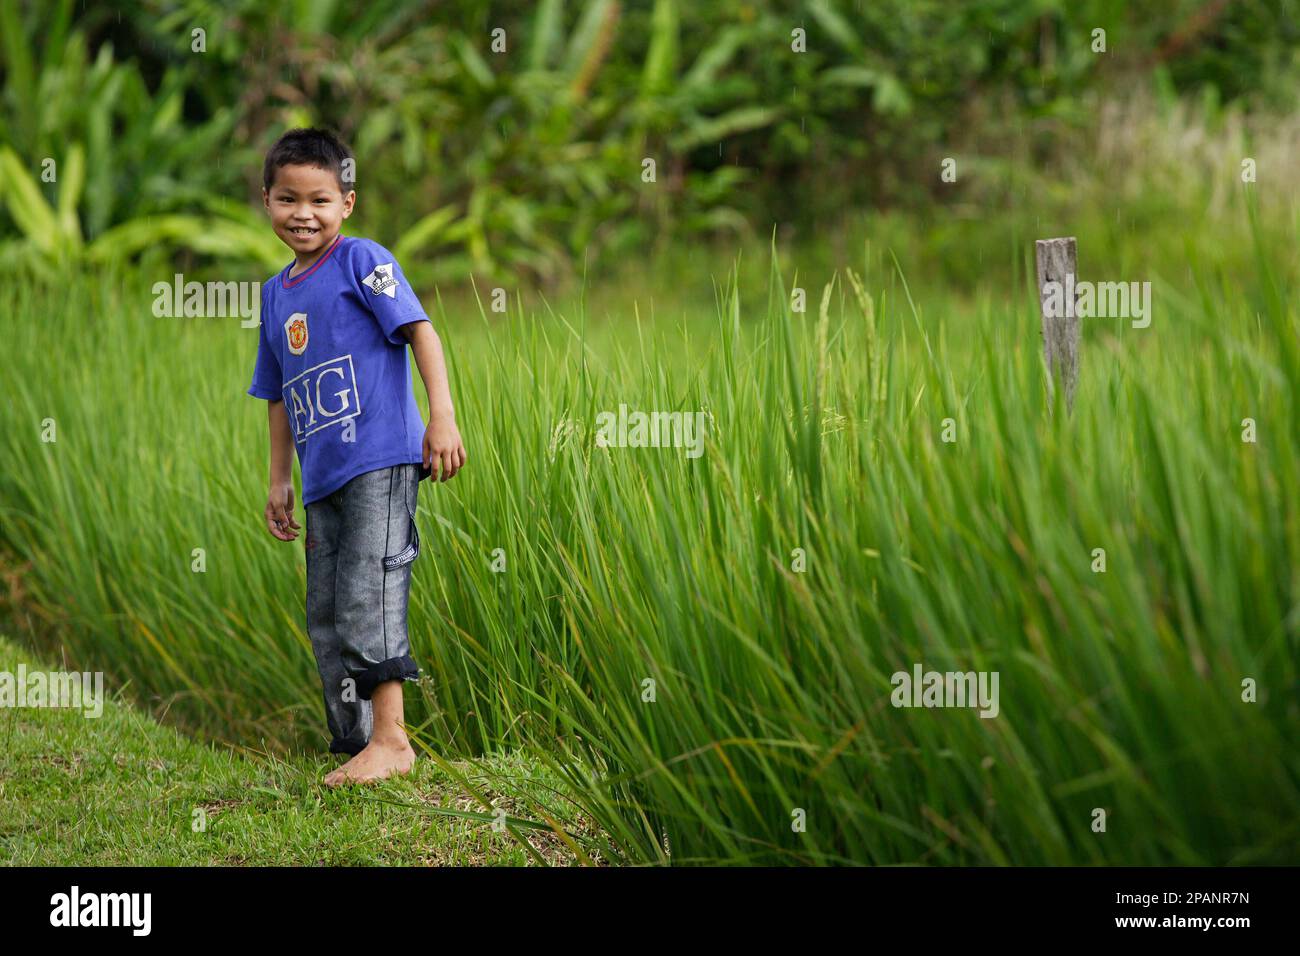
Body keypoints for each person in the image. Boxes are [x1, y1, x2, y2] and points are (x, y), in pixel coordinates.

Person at [246, 127, 466, 786]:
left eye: (319, 198)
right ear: (267, 201)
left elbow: (421, 333)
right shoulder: (274, 294)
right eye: (289, 199)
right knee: (326, 614)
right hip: (321, 480)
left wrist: (442, 418)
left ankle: (394, 742)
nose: (303, 213)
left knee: (370, 591)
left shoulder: (362, 260)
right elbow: (278, 392)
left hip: (381, 458)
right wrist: (279, 480)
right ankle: (356, 745)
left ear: (347, 202)